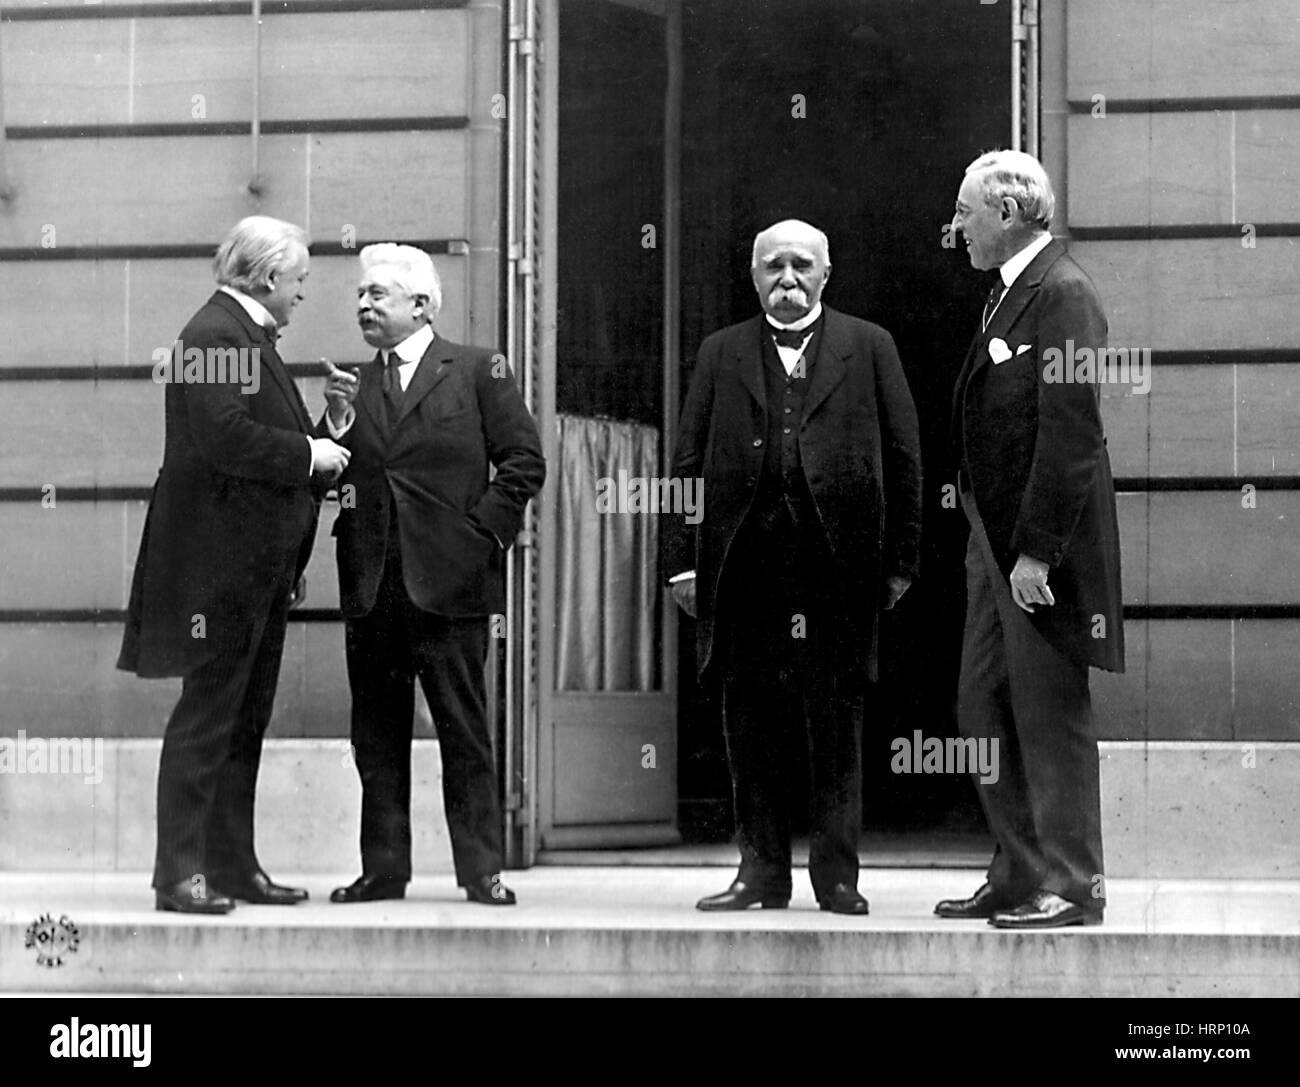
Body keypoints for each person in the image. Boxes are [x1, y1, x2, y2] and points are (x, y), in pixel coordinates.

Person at [665, 219, 923, 914]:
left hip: (836, 571)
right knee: (749, 726)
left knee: (834, 727)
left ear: (825, 273)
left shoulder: (870, 347)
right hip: (743, 570)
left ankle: (837, 877)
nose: (788, 278)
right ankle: (761, 873)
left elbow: (904, 459)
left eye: (801, 265)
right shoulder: (721, 352)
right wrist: (682, 564)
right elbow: (686, 460)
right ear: (753, 277)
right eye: (773, 266)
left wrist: (898, 560)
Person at [120, 216, 351, 914]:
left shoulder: (236, 334)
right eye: (300, 282)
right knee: (209, 719)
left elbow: (254, 441)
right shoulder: (216, 334)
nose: (302, 295)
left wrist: (326, 429)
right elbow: (225, 439)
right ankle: (182, 875)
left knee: (239, 722)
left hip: (250, 568)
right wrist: (311, 456)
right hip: (220, 572)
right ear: (270, 276)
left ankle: (228, 866)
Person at [322, 244, 545, 906]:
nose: (363, 304)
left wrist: (479, 537)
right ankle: (383, 869)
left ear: (420, 304)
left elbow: (523, 460)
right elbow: (330, 471)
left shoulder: (478, 370)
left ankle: (482, 871)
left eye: (377, 294)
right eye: (360, 294)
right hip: (373, 586)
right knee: (376, 736)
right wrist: (334, 425)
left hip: (450, 587)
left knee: (463, 731)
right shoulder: (353, 386)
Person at [936, 149, 1124, 929]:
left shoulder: (1063, 293)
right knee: (982, 704)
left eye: (965, 213)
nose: (956, 229)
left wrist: (1037, 551)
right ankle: (1018, 869)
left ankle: (1073, 882)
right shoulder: (1006, 295)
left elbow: (1071, 429)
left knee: (1049, 712)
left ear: (1008, 214)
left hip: (1038, 551)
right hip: (995, 540)